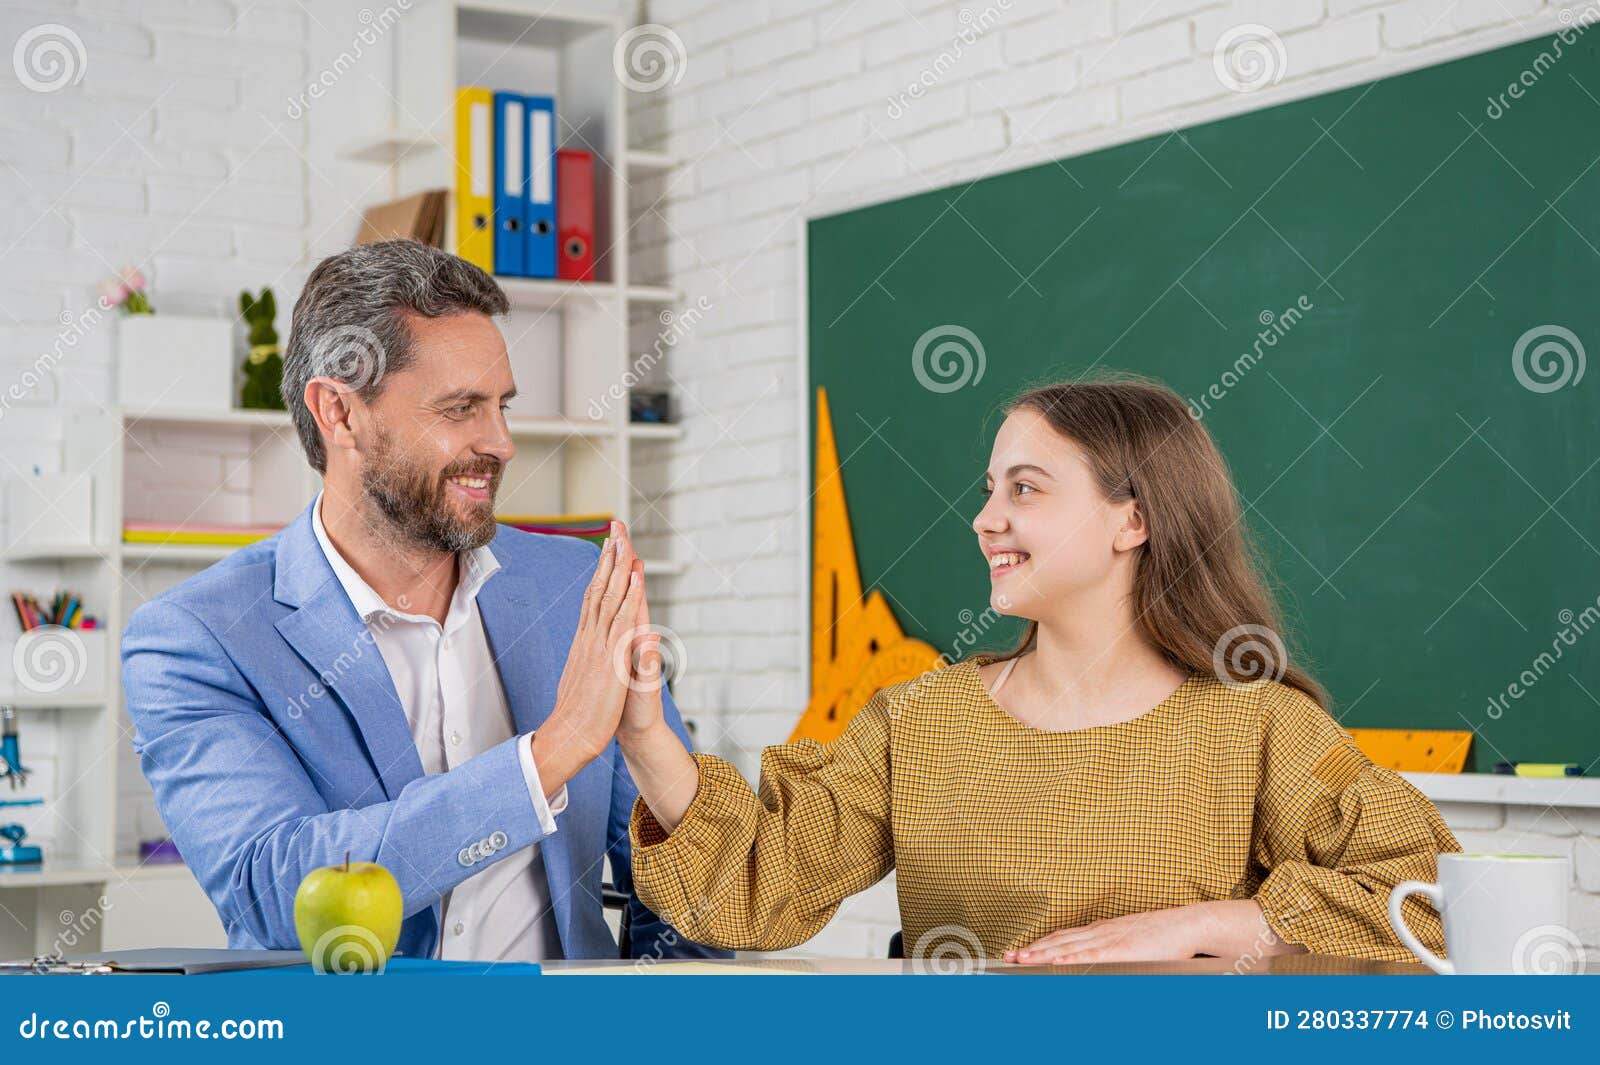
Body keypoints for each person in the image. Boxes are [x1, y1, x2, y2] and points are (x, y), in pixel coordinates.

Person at [606, 376, 1459, 965]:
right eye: (988, 489)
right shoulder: (917, 721)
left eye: (1025, 489)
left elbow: (1425, 899)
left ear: (1132, 520)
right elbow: (759, 887)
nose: (984, 519)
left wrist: (1202, 926)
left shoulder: (1255, 723)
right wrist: (644, 734)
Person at [122, 239, 727, 965]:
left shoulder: (573, 588)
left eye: (500, 405)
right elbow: (276, 888)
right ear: (338, 413)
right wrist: (547, 756)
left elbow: (686, 882)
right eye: (460, 408)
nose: (501, 442)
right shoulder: (199, 638)